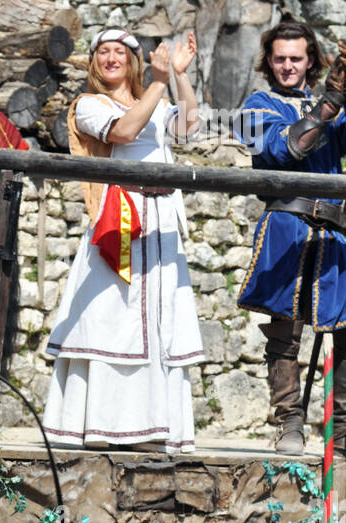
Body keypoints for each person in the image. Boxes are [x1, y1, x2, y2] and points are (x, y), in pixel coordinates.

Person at [44, 28, 204, 454]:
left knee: (160, 323)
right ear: (94, 62)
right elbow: (125, 133)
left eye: (120, 52)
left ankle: (155, 428)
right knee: (110, 321)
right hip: (120, 219)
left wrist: (179, 75)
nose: (111, 58)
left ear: (132, 61)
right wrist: (158, 81)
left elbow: (189, 132)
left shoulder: (158, 98)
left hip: (162, 219)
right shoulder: (90, 106)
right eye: (103, 52)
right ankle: (100, 426)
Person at [237, 15, 346, 456]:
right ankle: (289, 422)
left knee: (345, 328)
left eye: (296, 58)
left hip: (335, 230)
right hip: (285, 224)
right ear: (269, 61)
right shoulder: (254, 107)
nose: (287, 66)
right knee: (284, 331)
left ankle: (341, 430)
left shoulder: (337, 109)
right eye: (280, 59)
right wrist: (329, 103)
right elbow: (287, 148)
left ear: (310, 61)